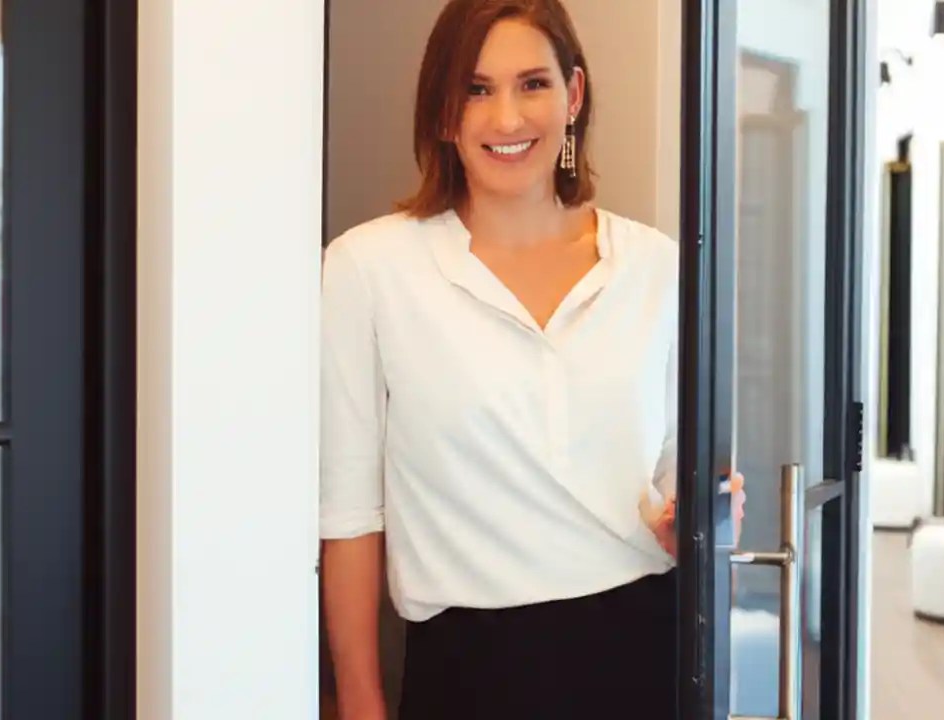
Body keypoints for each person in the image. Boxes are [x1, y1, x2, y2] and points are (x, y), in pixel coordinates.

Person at [319, 1, 744, 718]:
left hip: (644, 652)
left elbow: (676, 474)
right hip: (467, 672)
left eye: (533, 84)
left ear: (573, 96)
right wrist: (360, 705)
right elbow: (350, 516)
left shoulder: (657, 267)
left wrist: (698, 520)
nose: (508, 118)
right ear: (443, 112)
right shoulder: (369, 268)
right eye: (476, 89)